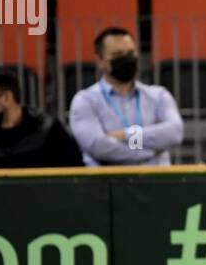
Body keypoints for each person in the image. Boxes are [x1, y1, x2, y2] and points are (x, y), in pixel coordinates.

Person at [68, 27, 184, 166]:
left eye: (130, 53)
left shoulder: (158, 95)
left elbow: (174, 133)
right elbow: (98, 146)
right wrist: (149, 152)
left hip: (156, 180)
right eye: (117, 55)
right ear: (100, 61)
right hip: (108, 183)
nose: (126, 59)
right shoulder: (85, 100)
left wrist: (124, 135)